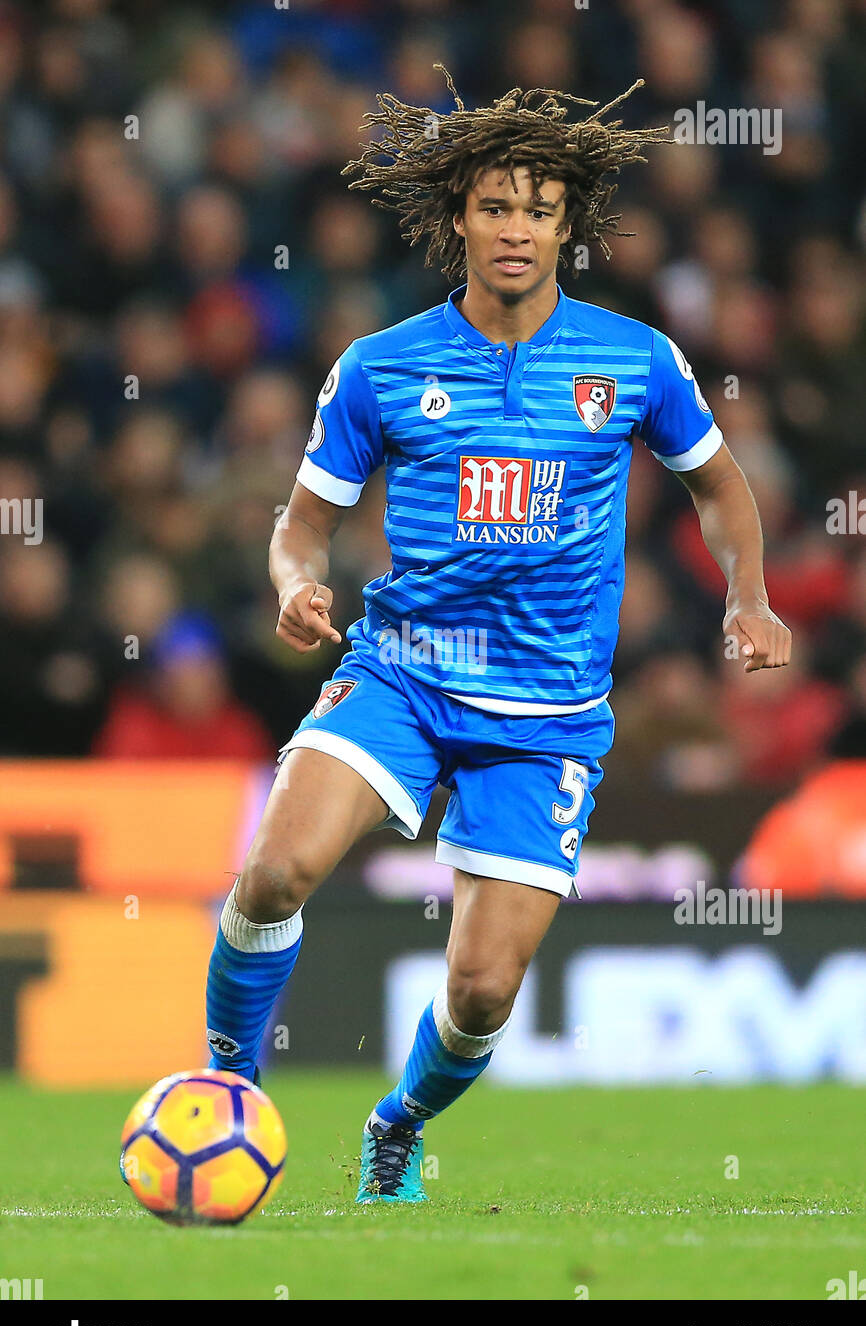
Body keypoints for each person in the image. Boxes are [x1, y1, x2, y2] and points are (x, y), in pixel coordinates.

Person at [204, 70, 792, 1203]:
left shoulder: (634, 362)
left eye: (536, 207)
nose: (514, 227)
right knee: (273, 871)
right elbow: (303, 526)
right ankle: (228, 1086)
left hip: (549, 712)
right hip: (402, 672)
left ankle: (398, 1118)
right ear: (457, 221)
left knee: (479, 992)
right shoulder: (380, 365)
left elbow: (719, 488)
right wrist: (292, 582)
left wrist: (746, 594)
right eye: (492, 206)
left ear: (566, 222)